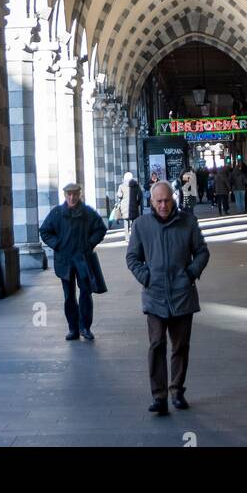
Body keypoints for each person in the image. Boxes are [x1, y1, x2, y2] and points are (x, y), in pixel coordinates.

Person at [126, 181, 210, 415]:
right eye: (159, 201)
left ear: (173, 200)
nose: (163, 205)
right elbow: (132, 257)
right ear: (151, 202)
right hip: (155, 295)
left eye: (167, 200)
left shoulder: (188, 222)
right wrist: (146, 277)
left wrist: (190, 274)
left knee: (181, 346)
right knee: (156, 345)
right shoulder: (141, 225)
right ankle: (159, 395)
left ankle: (177, 390)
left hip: (182, 294)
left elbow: (202, 251)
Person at [39, 183, 108, 341]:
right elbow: (44, 231)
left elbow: (100, 229)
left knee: (85, 294)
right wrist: (58, 244)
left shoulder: (88, 213)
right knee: (69, 296)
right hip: (65, 261)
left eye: (75, 194)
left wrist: (89, 243)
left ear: (79, 194)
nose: (72, 197)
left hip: (83, 260)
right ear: (65, 195)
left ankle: (85, 327)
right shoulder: (57, 213)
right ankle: (73, 328)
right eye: (69, 194)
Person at [122, 171, 143, 242]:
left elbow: (119, 195)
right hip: (134, 205)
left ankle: (127, 238)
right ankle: (134, 237)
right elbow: (140, 195)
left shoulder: (121, 186)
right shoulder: (136, 185)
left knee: (126, 222)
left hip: (124, 207)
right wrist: (138, 203)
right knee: (134, 222)